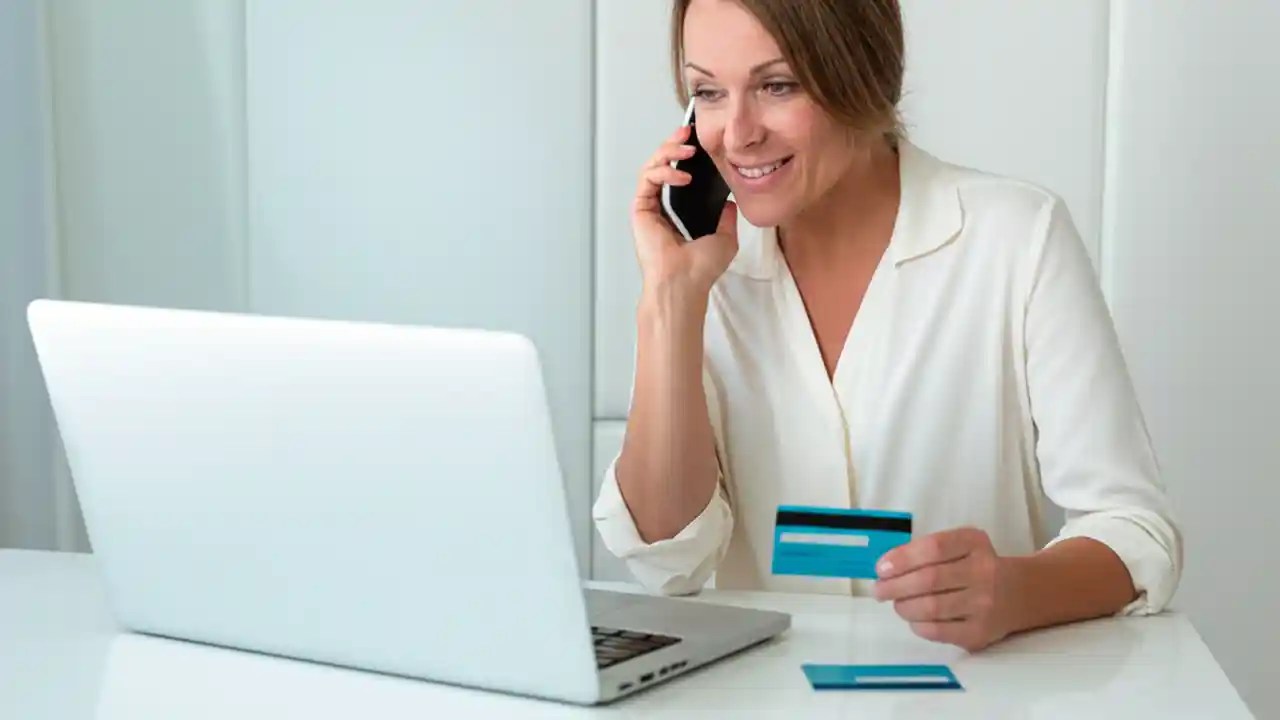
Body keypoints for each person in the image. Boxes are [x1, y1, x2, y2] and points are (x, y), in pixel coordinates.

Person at [591, 0, 1182, 652]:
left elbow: (1133, 529)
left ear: (864, 76)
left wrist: (1013, 592)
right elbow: (666, 561)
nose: (736, 134)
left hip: (968, 697)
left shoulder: (1015, 238)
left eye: (778, 85)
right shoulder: (708, 272)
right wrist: (671, 302)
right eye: (707, 92)